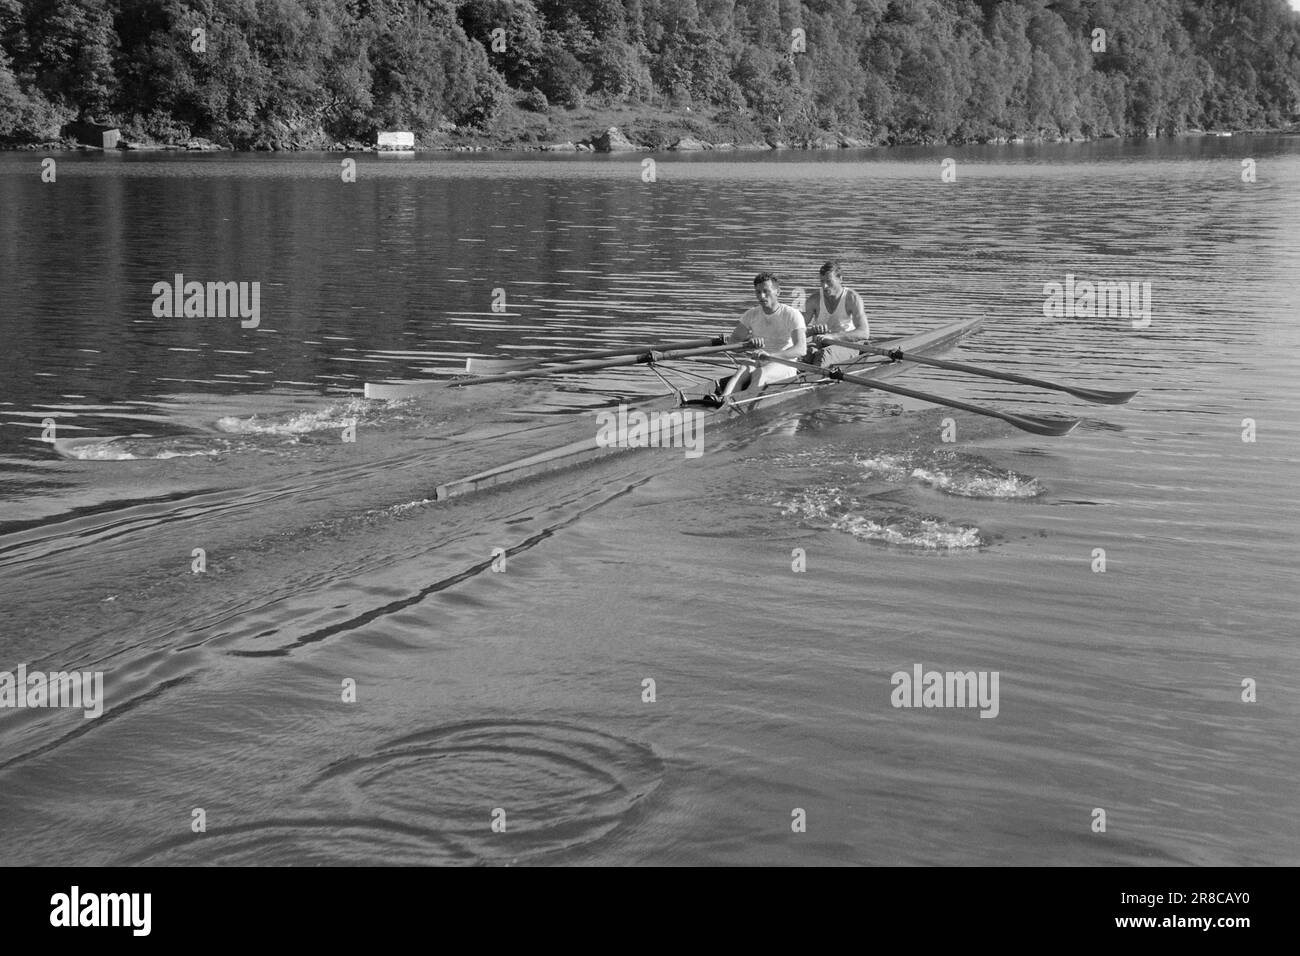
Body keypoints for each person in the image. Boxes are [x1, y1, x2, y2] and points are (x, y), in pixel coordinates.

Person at [715, 272, 807, 400]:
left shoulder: (792, 314)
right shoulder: (751, 314)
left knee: (760, 373)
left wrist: (770, 356)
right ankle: (723, 400)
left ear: (778, 292)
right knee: (741, 372)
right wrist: (749, 345)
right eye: (758, 292)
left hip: (784, 363)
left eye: (766, 291)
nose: (761, 296)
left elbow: (801, 349)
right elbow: (732, 342)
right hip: (758, 359)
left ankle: (743, 402)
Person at [805, 261, 869, 367]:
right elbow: (798, 331)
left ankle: (815, 375)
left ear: (840, 279)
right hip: (821, 343)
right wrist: (812, 331)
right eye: (822, 281)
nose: (824, 286)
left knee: (824, 355)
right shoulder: (813, 300)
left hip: (848, 344)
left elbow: (864, 333)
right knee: (803, 354)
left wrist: (833, 337)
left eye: (829, 281)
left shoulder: (852, 298)